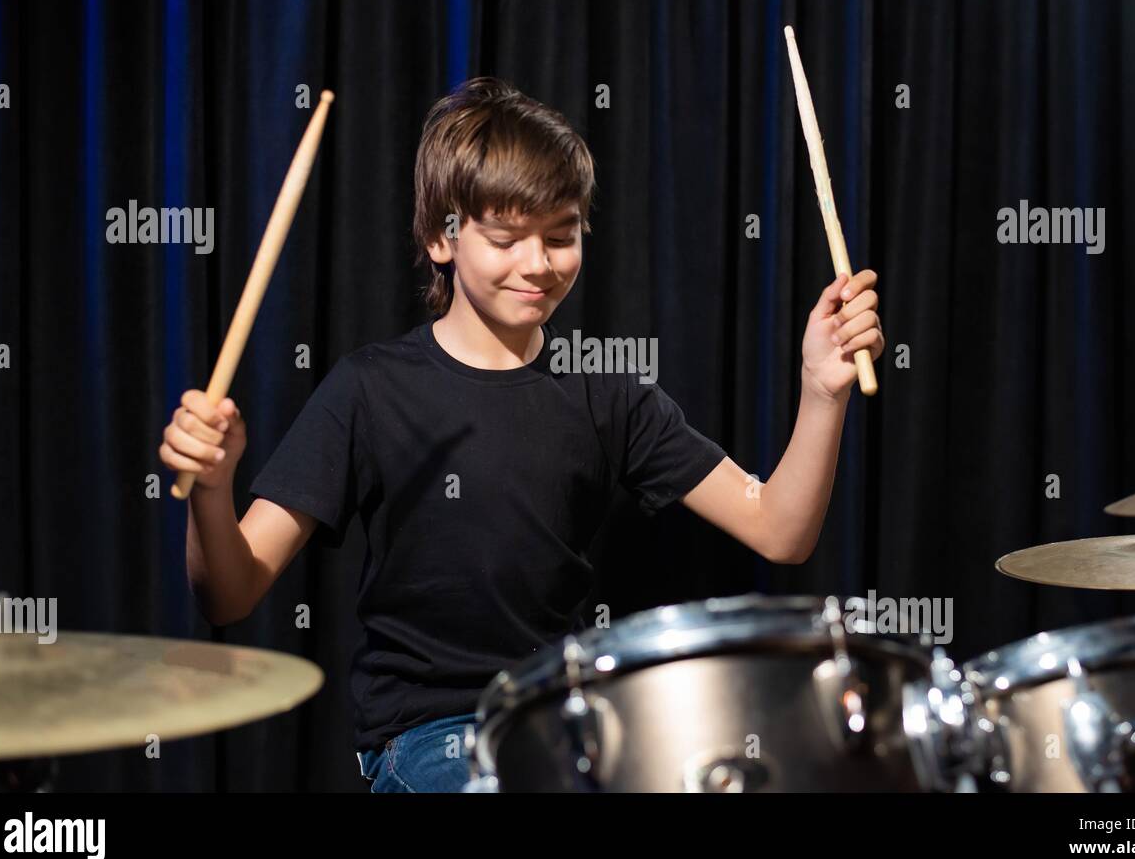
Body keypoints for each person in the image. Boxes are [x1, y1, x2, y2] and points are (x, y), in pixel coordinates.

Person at [158, 77, 884, 792]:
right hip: (426, 736)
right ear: (441, 239)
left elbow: (779, 530)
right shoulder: (368, 389)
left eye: (562, 236)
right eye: (506, 238)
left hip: (555, 722)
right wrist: (212, 492)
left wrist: (820, 392)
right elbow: (231, 591)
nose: (539, 263)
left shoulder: (610, 399)